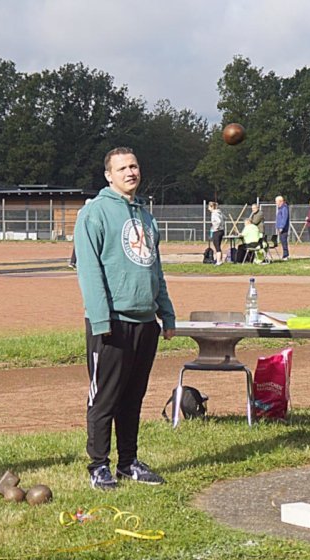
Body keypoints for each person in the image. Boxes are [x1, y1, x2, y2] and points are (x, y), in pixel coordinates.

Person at [74, 147, 176, 490]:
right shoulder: (95, 214)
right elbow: (89, 271)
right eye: (122, 168)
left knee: (134, 397)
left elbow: (154, 269)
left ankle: (128, 462)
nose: (130, 172)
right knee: (105, 397)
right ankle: (98, 465)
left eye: (134, 165)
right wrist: (102, 321)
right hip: (111, 322)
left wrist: (166, 313)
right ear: (109, 175)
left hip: (145, 322)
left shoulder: (146, 216)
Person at [274, 196, 291, 260]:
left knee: (284, 241)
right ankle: (285, 255)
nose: (276, 203)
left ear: (280, 201)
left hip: (284, 228)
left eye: (276, 201)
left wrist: (281, 227)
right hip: (280, 228)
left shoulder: (284, 208)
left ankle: (286, 255)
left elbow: (284, 218)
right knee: (282, 241)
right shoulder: (280, 208)